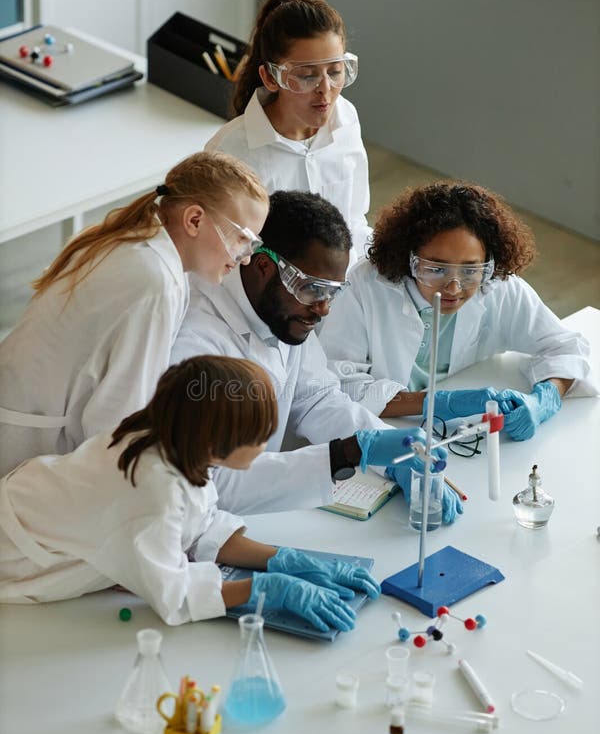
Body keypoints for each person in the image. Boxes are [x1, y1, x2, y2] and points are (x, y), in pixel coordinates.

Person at [0, 356, 382, 630]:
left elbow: (198, 523)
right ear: (217, 439)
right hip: (18, 554)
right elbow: (174, 597)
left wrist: (285, 559)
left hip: (34, 503)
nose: (267, 444)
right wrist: (263, 589)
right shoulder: (151, 492)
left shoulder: (172, 441)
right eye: (259, 435)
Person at [171, 190, 461, 524]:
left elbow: (316, 398)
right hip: (200, 530)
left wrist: (392, 454)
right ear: (263, 266)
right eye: (312, 288)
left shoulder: (282, 311)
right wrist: (347, 454)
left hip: (260, 510)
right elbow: (208, 481)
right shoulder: (194, 343)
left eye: (332, 293)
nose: (322, 309)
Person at [0, 152, 269, 477]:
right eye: (242, 238)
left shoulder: (144, 248)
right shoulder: (153, 281)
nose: (244, 258)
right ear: (194, 220)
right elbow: (118, 425)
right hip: (24, 457)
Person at [319, 181, 597, 441]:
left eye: (469, 270)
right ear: (408, 257)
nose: (453, 287)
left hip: (461, 436)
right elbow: (338, 385)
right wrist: (436, 403)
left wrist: (545, 398)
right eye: (436, 268)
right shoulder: (364, 287)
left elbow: (566, 347)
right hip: (381, 431)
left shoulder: (497, 286)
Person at [205, 0, 371, 262]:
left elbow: (355, 220)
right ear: (271, 78)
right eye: (307, 76)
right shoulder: (231, 153)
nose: (325, 89)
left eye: (335, 72)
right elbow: (220, 258)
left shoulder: (347, 119)